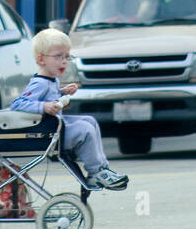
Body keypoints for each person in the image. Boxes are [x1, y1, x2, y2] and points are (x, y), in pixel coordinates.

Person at [11, 29, 129, 190]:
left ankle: (101, 169)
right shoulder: (39, 83)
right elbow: (18, 103)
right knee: (85, 129)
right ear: (41, 59)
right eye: (58, 57)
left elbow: (49, 96)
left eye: (67, 57)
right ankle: (95, 172)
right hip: (47, 134)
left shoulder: (50, 81)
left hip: (55, 127)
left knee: (90, 120)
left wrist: (62, 92)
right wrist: (43, 106)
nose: (64, 61)